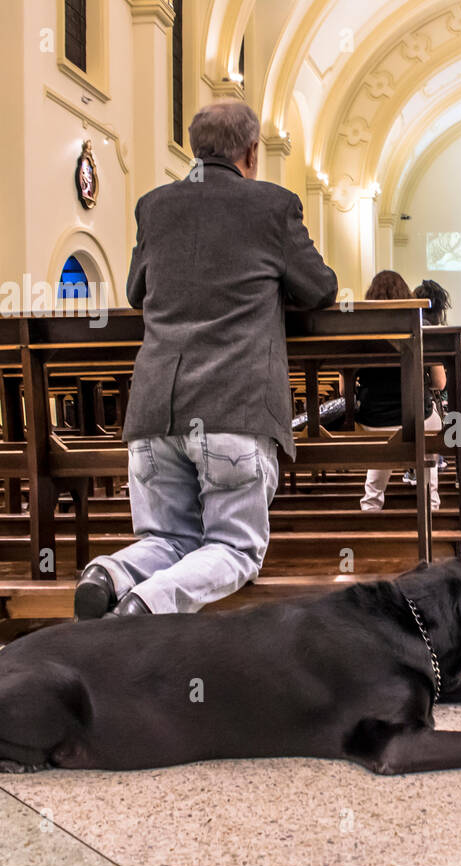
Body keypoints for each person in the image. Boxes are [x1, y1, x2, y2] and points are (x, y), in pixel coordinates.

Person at [74, 101, 337, 619]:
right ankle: (147, 603)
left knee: (166, 538)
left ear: (195, 148)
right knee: (235, 549)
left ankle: (108, 574)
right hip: (233, 409)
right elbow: (321, 289)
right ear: (252, 152)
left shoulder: (155, 205)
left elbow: (135, 291)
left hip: (154, 410)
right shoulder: (273, 206)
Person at [354, 271, 447, 512]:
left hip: (373, 420)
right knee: (428, 426)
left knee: (385, 443)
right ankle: (430, 502)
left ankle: (371, 504)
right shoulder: (421, 325)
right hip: (417, 419)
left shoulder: (358, 330)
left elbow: (346, 388)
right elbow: (440, 383)